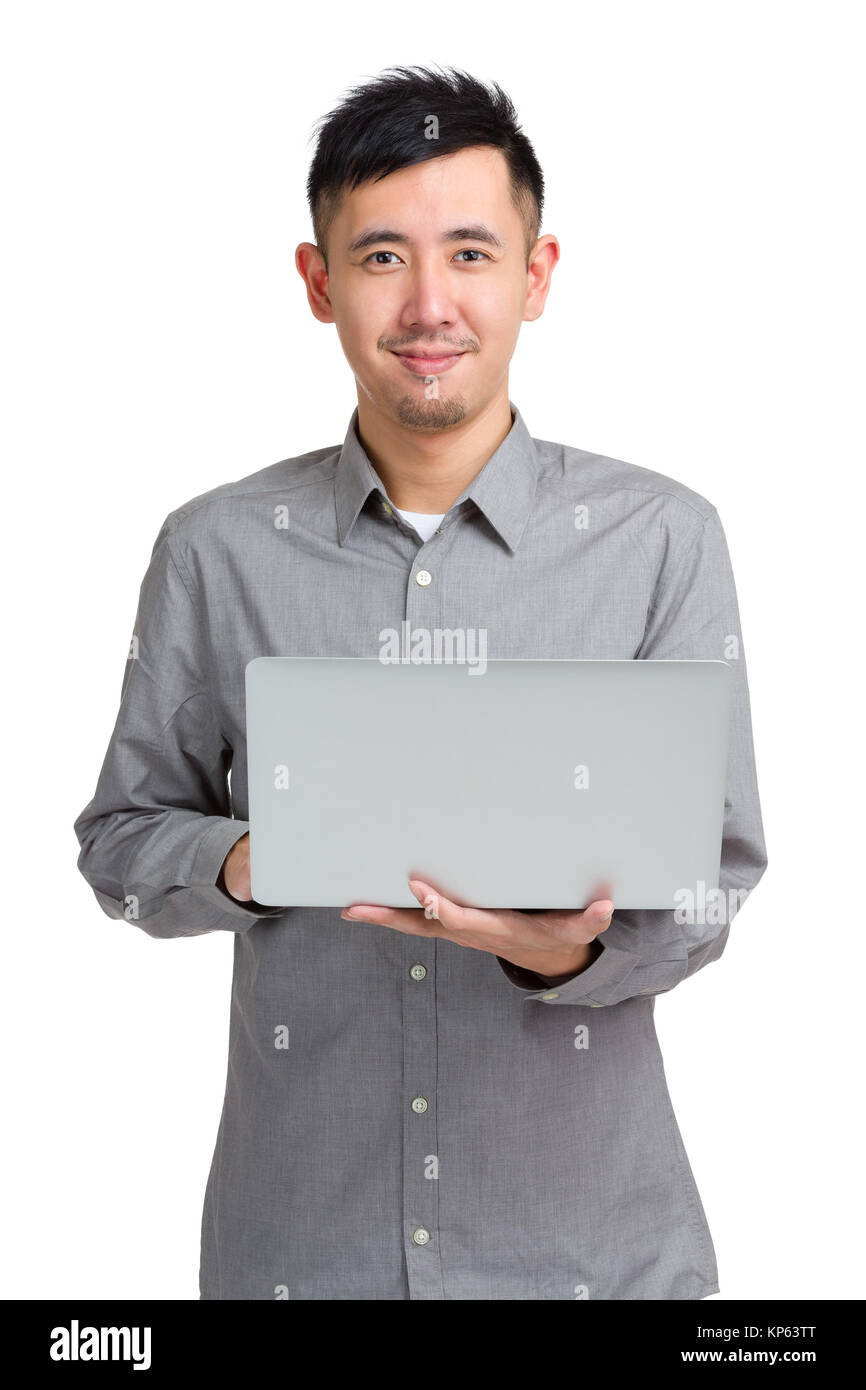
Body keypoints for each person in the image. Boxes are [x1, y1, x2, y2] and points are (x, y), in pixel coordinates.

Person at [73, 64, 767, 1300]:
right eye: (382, 256)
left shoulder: (660, 540)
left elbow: (714, 880)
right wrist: (253, 855)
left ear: (536, 275)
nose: (429, 303)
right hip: (301, 1257)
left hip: (593, 1266)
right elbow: (122, 843)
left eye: (470, 251)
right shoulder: (214, 549)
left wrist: (556, 955)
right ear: (318, 281)